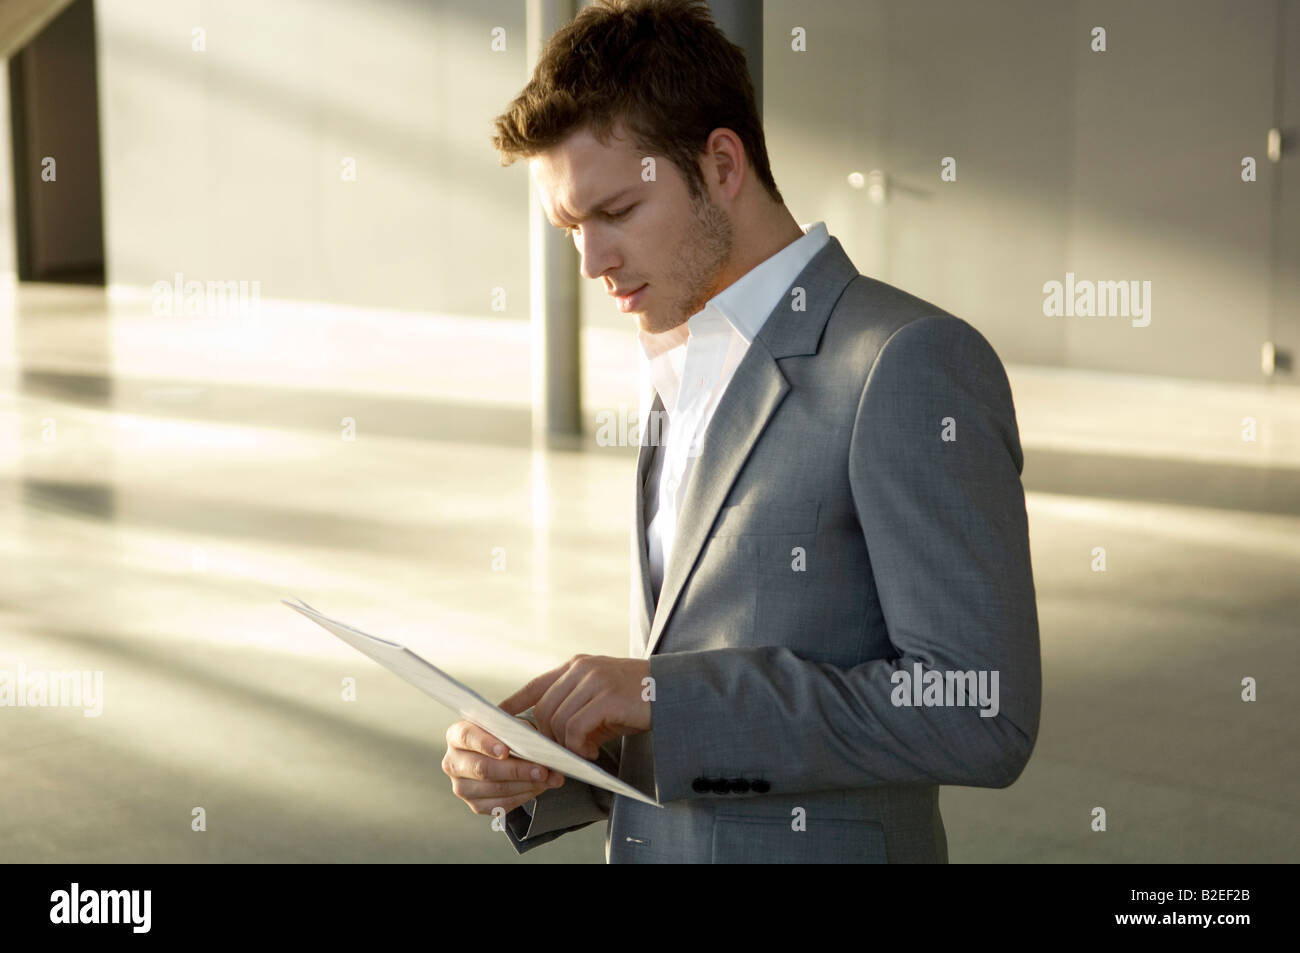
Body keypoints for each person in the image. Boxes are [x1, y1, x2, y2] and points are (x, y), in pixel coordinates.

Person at [441, 0, 1041, 863]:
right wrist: (552, 754)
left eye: (615, 210)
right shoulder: (682, 354)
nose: (591, 262)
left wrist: (663, 695)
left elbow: (982, 710)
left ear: (722, 163)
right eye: (571, 228)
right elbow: (708, 680)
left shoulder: (908, 364)